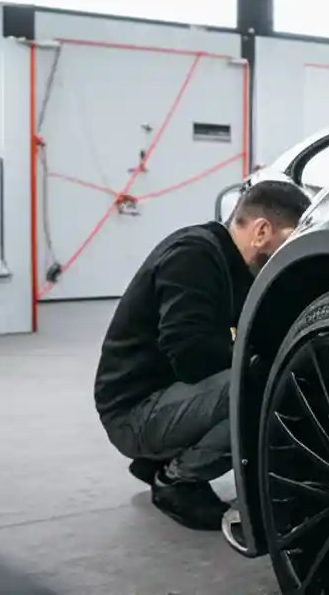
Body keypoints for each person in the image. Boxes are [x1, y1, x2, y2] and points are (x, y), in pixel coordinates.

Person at [94, 181, 311, 530]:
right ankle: (176, 480)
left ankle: (165, 459)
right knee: (261, 385)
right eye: (290, 240)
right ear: (261, 231)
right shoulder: (192, 257)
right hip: (134, 413)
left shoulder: (242, 270)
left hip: (170, 400)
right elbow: (192, 357)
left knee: (267, 374)